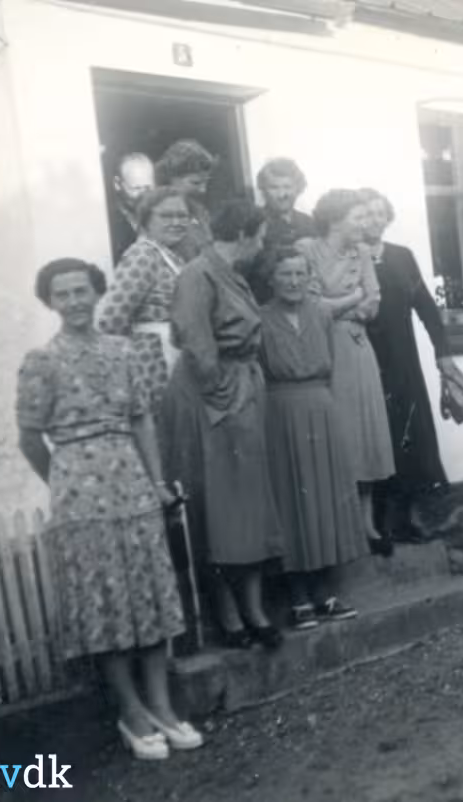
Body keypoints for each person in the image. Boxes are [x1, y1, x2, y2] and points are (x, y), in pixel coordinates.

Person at [17, 258, 202, 761]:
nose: (75, 301)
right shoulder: (41, 361)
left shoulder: (124, 351)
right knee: (109, 606)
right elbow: (30, 439)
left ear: (98, 293)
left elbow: (141, 420)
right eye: (63, 294)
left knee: (148, 598)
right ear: (50, 302)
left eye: (82, 290)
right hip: (80, 498)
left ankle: (162, 706)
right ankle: (131, 712)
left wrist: (156, 482)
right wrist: (64, 479)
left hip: (133, 487)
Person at [163, 199, 285, 650]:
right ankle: (228, 614)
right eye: (262, 234)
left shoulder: (231, 273)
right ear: (245, 234)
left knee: (247, 504)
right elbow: (196, 342)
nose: (263, 244)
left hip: (240, 387)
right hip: (211, 397)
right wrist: (221, 401)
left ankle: (252, 609)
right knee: (219, 505)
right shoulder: (198, 273)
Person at [259, 248, 364, 628]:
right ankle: (298, 598)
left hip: (321, 407)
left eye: (300, 273)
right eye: (284, 274)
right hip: (280, 411)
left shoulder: (321, 312)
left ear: (309, 277)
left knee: (324, 498)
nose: (292, 281)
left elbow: (334, 363)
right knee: (291, 500)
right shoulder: (260, 318)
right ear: (272, 278)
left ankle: (327, 593)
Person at [296, 190, 396, 556]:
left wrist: (348, 305)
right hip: (326, 350)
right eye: (357, 218)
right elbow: (312, 306)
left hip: (357, 348)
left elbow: (374, 305)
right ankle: (341, 523)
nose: (365, 224)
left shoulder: (364, 253)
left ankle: (366, 522)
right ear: (336, 219)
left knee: (365, 434)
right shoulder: (307, 249)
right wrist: (352, 299)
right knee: (339, 433)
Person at [361, 188, 459, 545]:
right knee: (376, 436)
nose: (373, 220)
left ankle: (404, 520)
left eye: (378, 213)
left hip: (402, 359)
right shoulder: (350, 257)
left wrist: (443, 351)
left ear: (387, 217)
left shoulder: (402, 257)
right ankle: (375, 524)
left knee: (409, 435)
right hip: (366, 359)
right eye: (365, 214)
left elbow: (426, 307)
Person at [98, 187, 191, 414]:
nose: (176, 222)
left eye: (182, 215)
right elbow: (111, 318)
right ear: (147, 218)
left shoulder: (171, 255)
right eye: (167, 216)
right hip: (155, 360)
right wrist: (131, 362)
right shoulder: (143, 255)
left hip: (176, 354)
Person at [252, 158, 317, 303]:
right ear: (263, 190)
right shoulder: (254, 224)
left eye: (288, 187)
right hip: (268, 304)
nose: (282, 194)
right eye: (274, 187)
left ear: (298, 188)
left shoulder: (310, 223)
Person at [155, 139, 216, 263]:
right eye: (196, 183)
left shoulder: (200, 211)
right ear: (171, 178)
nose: (203, 190)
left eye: (206, 182)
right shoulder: (157, 217)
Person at [107, 152, 155, 264]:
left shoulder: (160, 215)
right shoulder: (110, 225)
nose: (144, 195)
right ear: (117, 184)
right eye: (136, 189)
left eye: (148, 188)